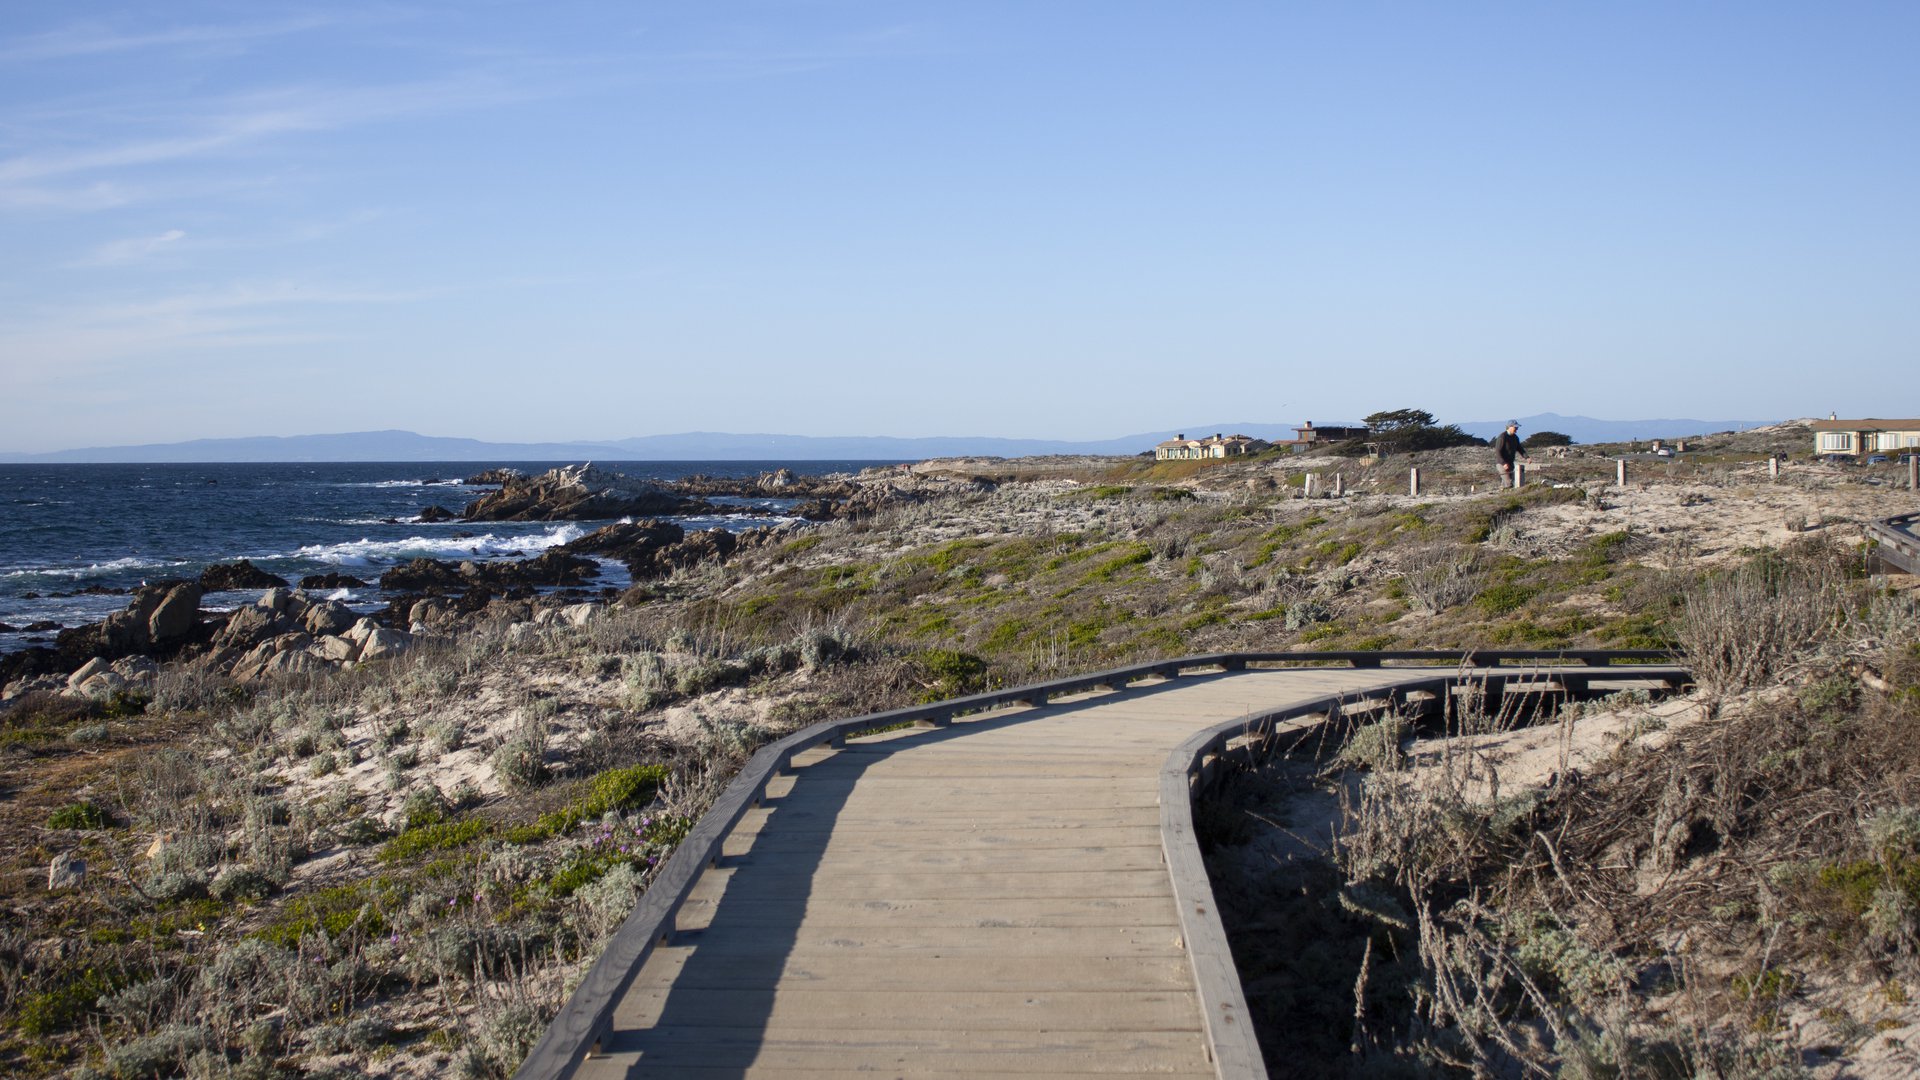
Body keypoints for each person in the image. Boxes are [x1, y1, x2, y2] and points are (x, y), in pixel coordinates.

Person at [1493, 420, 1526, 486]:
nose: (1517, 429)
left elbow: (1520, 448)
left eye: (1517, 427)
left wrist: (1526, 457)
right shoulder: (1502, 437)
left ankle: (1502, 494)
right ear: (1509, 427)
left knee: (1512, 483)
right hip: (1501, 464)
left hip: (1510, 464)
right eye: (1515, 427)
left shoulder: (1515, 438)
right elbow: (1498, 452)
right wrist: (1504, 463)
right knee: (1509, 483)